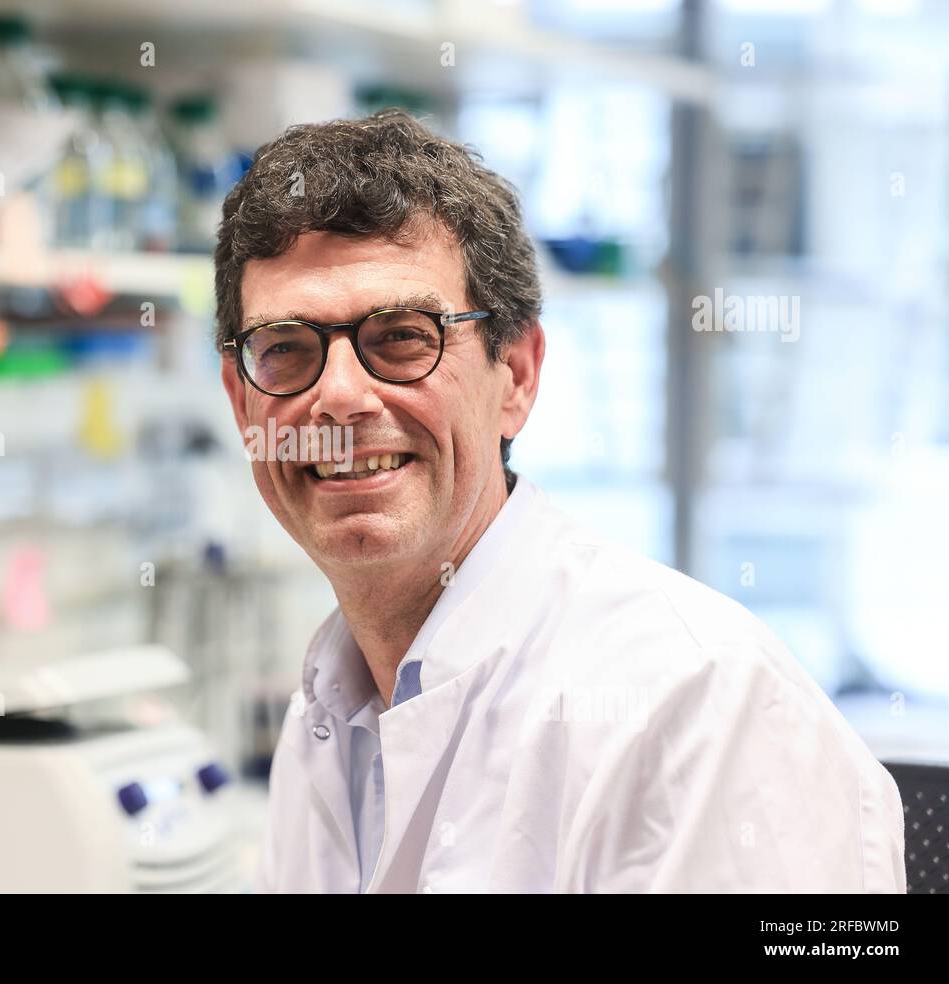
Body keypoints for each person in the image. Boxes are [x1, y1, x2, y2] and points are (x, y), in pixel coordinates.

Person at [215, 110, 906, 893]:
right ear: (243, 404)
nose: (338, 398)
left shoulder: (697, 703)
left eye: (403, 337)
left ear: (516, 376)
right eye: (285, 349)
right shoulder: (327, 709)